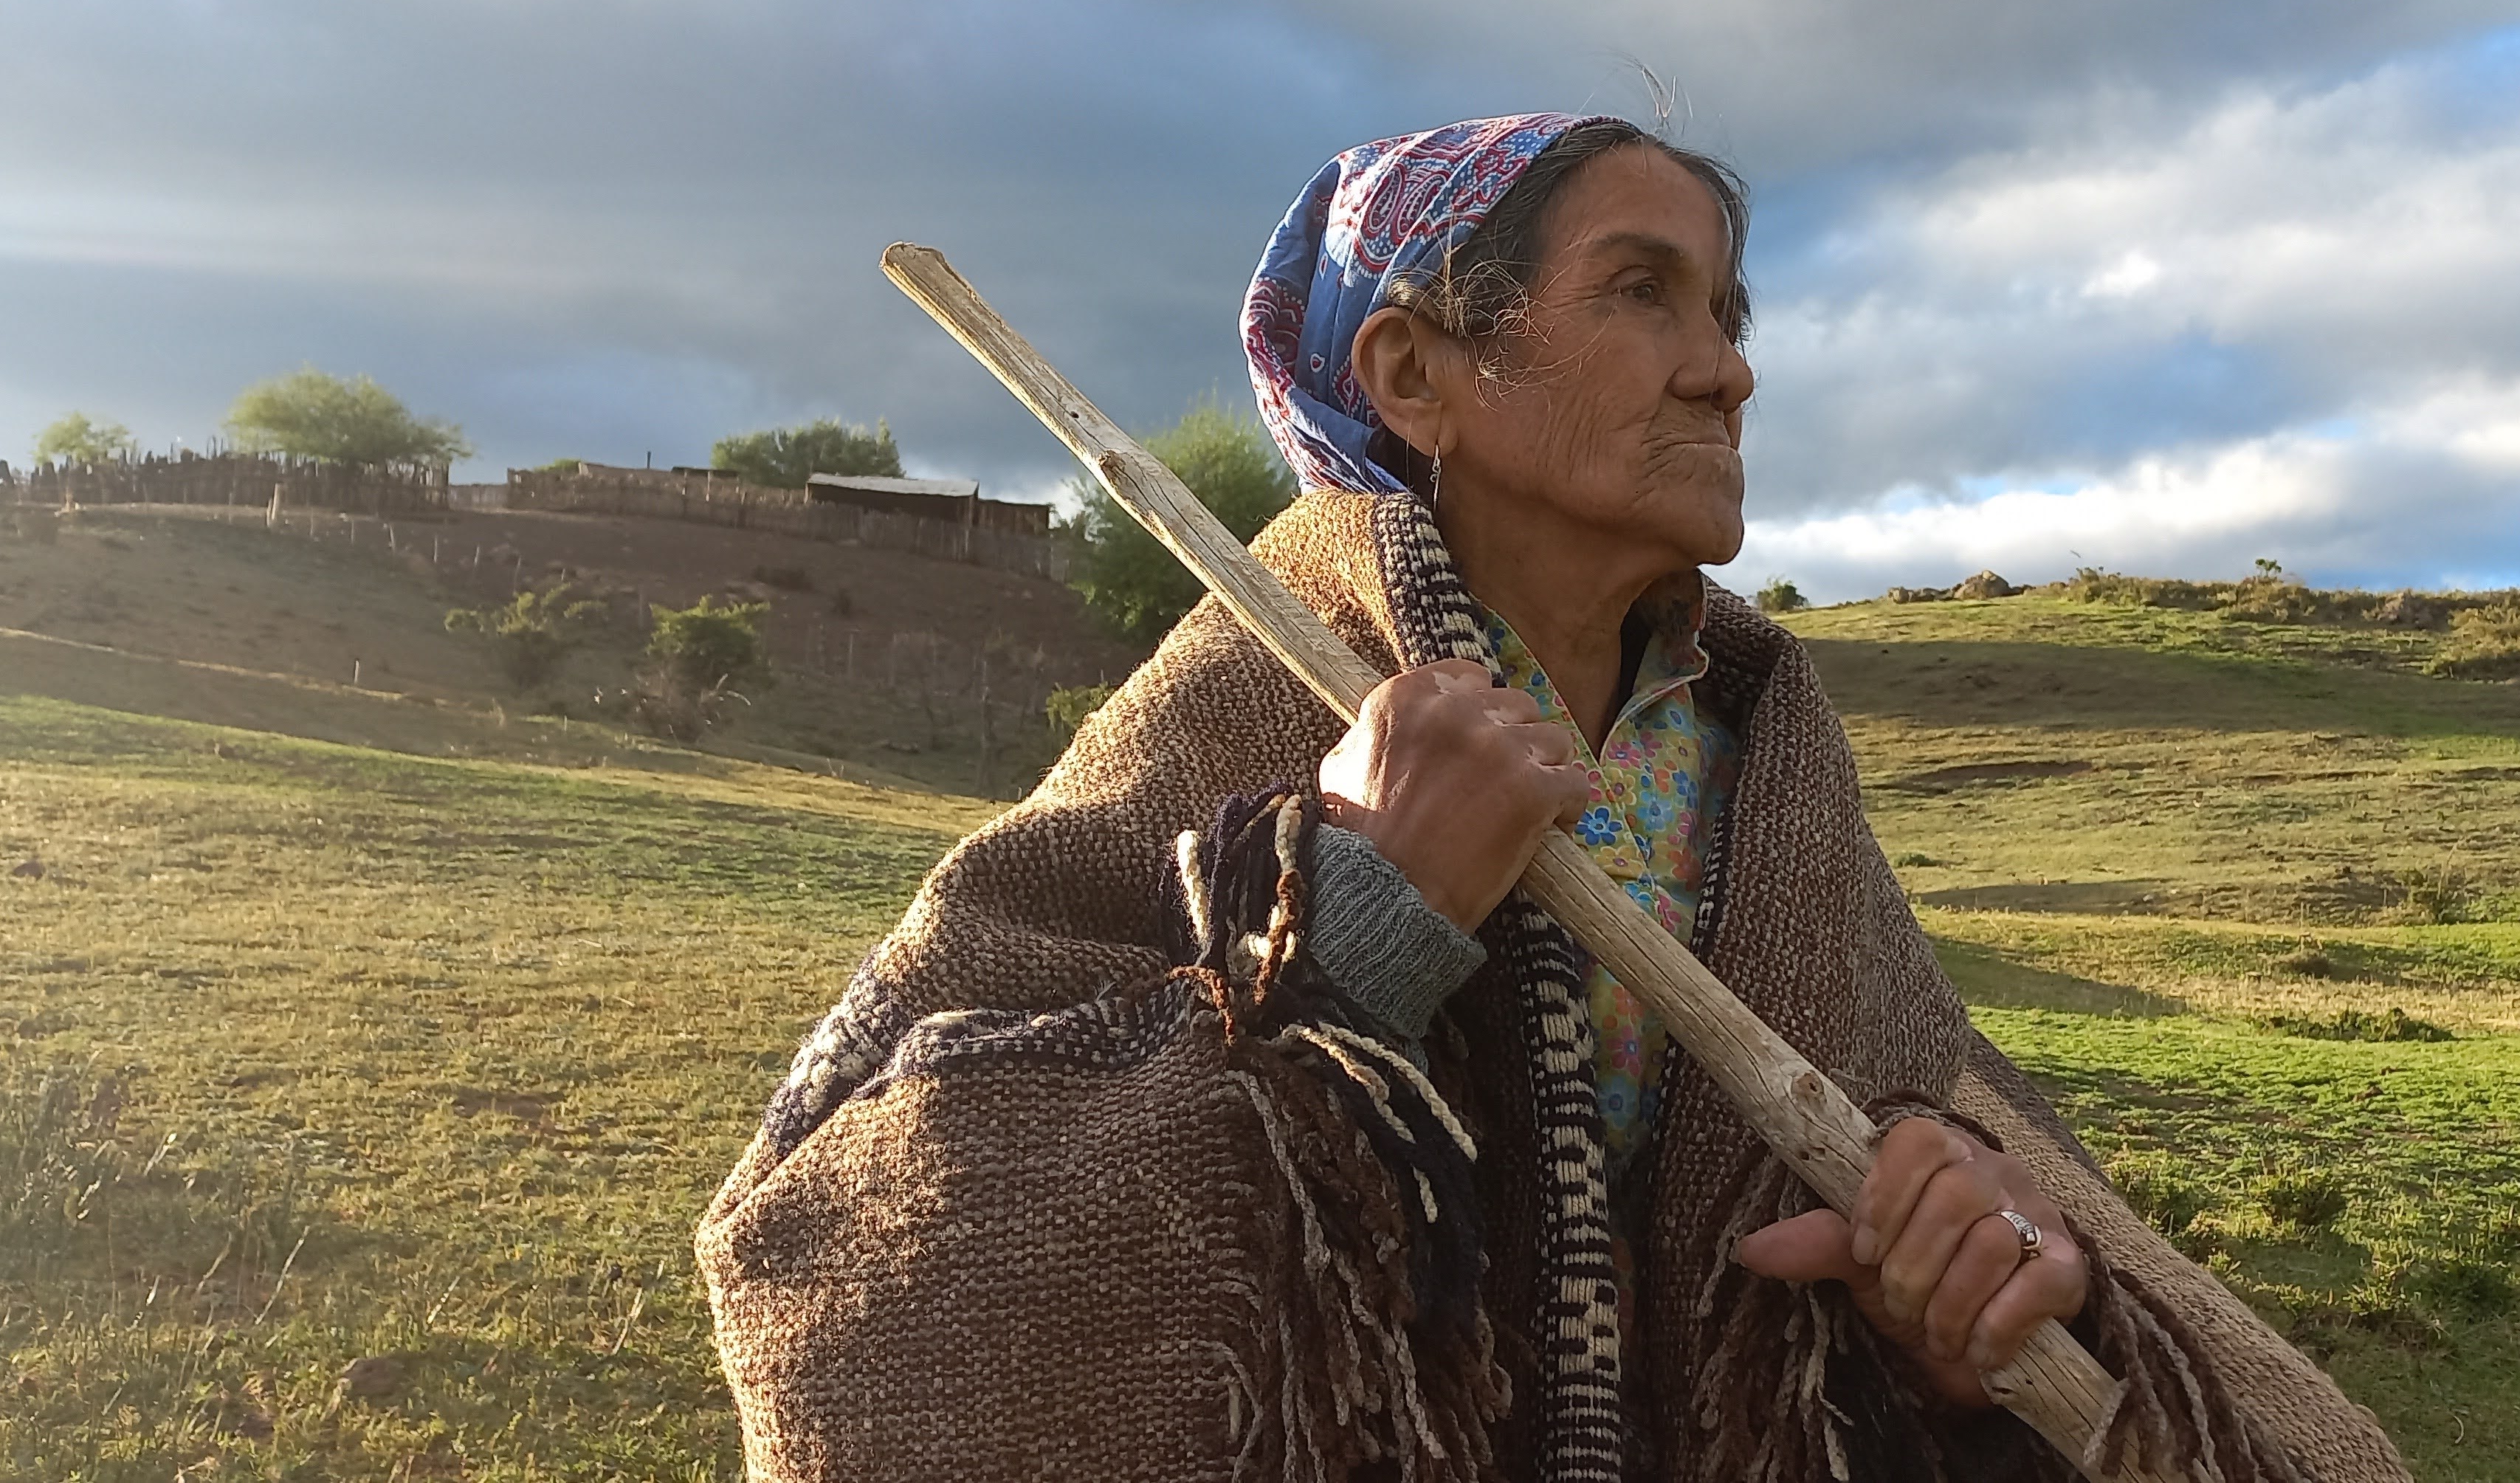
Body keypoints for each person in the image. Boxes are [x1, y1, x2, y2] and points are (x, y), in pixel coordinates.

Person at [699, 114, 2406, 1482]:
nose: (1723, 367)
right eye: (1641, 292)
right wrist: (1352, 927)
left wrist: (1945, 1296)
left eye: (1726, 311)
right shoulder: (1243, 708)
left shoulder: (1763, 753)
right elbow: (844, 1234)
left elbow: (1904, 1132)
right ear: (1416, 373)